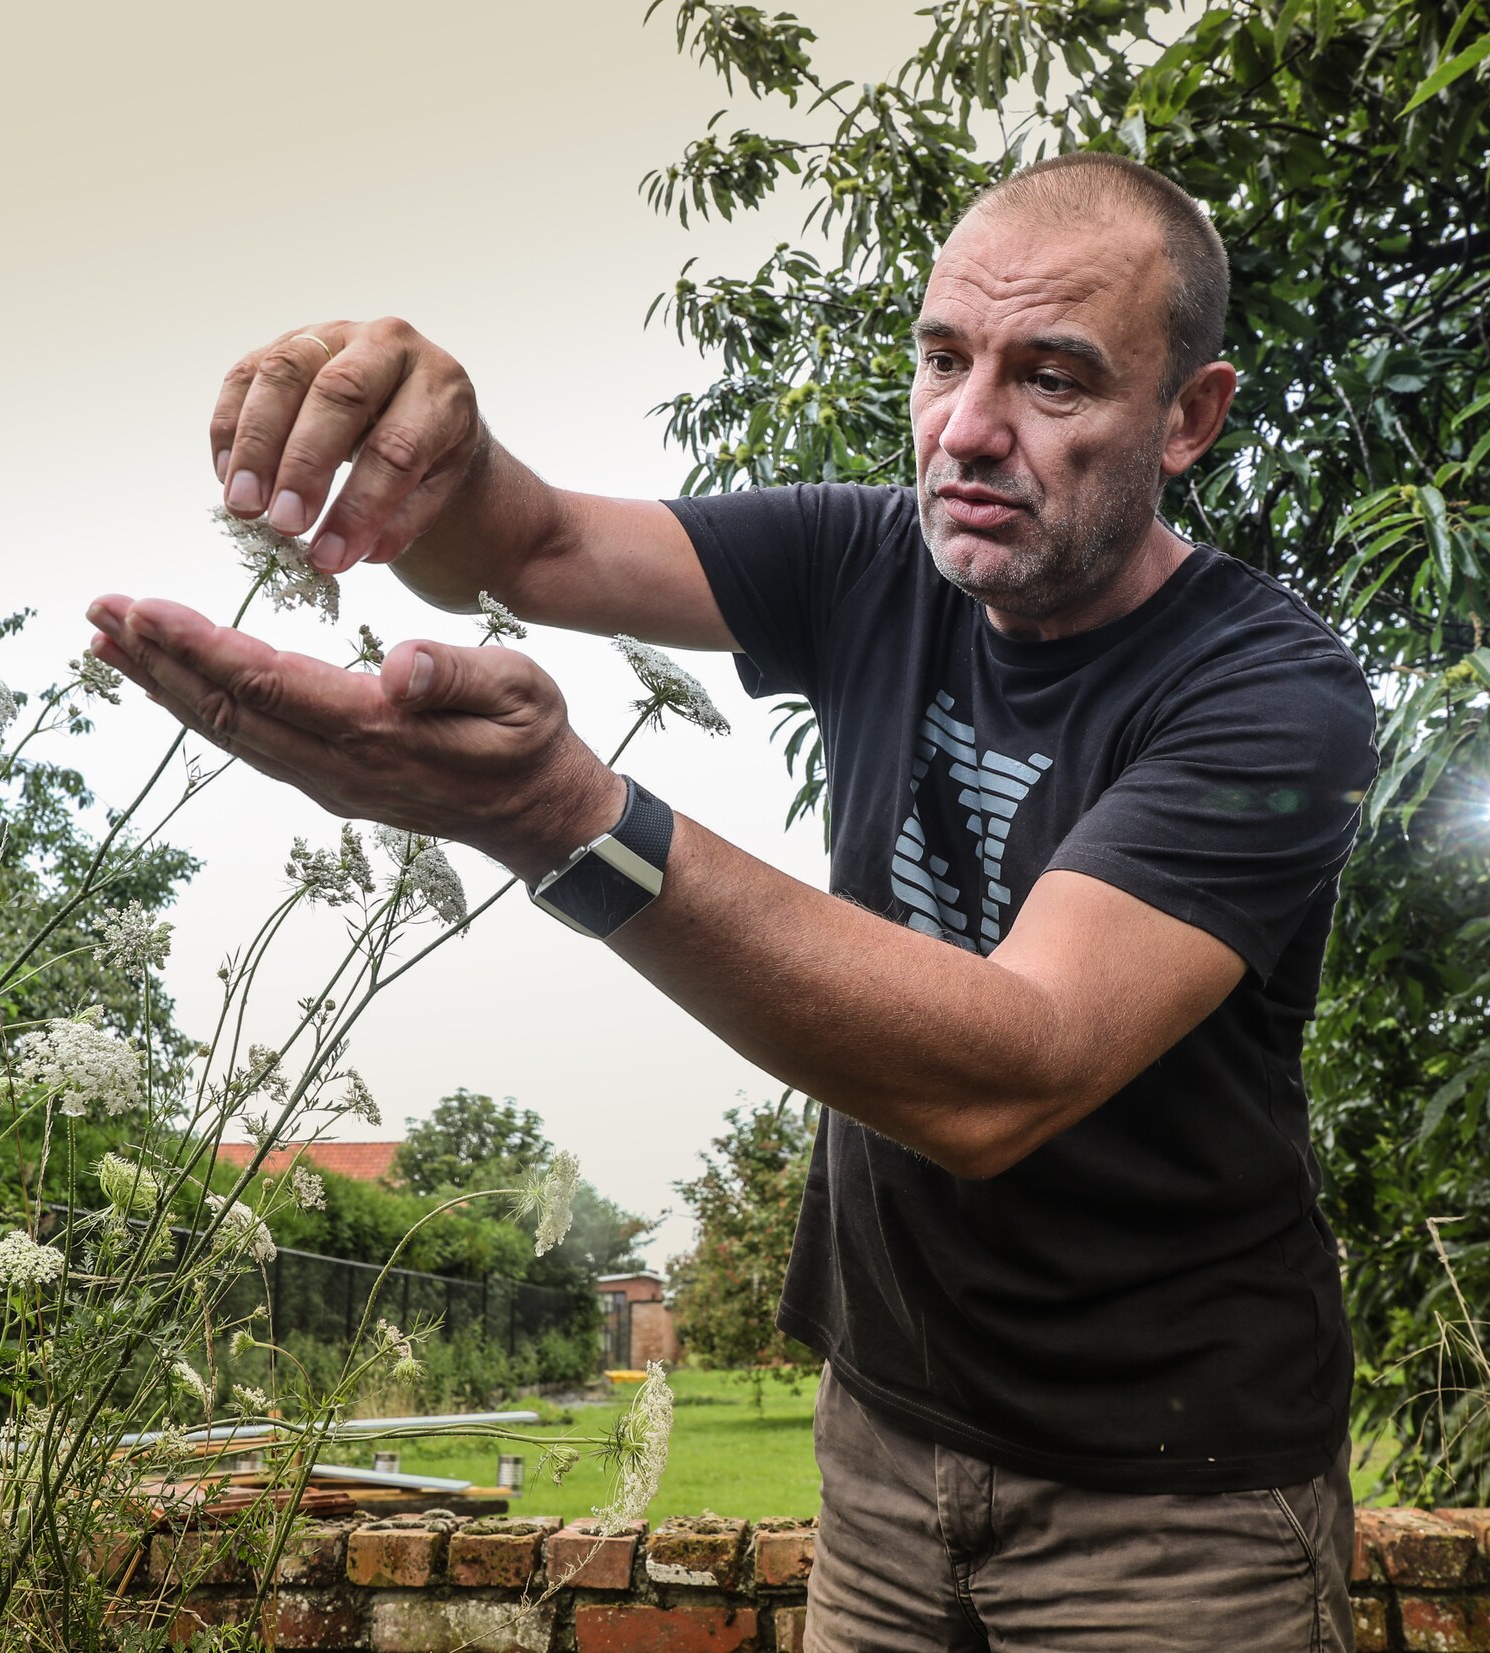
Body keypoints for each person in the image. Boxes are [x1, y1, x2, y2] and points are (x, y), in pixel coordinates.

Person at [86, 153, 1377, 1651]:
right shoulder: (871, 561)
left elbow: (1007, 1071)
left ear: (1188, 418)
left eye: (1054, 379)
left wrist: (563, 820)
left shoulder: (1271, 696)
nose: (967, 428)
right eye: (944, 357)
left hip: (1174, 1509)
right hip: (885, 1445)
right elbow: (532, 543)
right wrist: (433, 443)